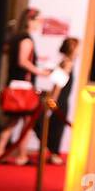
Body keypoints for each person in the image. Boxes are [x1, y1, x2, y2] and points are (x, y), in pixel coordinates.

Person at [0, 6, 51, 164]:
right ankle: (15, 155)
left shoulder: (17, 38)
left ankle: (3, 152)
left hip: (16, 85)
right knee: (22, 122)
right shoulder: (26, 39)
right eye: (38, 20)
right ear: (30, 21)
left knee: (16, 121)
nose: (39, 24)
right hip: (22, 86)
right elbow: (22, 61)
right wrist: (40, 72)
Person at [35, 36, 79, 165]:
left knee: (54, 126)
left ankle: (50, 152)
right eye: (77, 48)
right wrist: (53, 99)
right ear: (72, 49)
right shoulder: (67, 63)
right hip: (60, 100)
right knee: (56, 127)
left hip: (60, 99)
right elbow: (59, 83)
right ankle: (54, 154)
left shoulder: (65, 62)